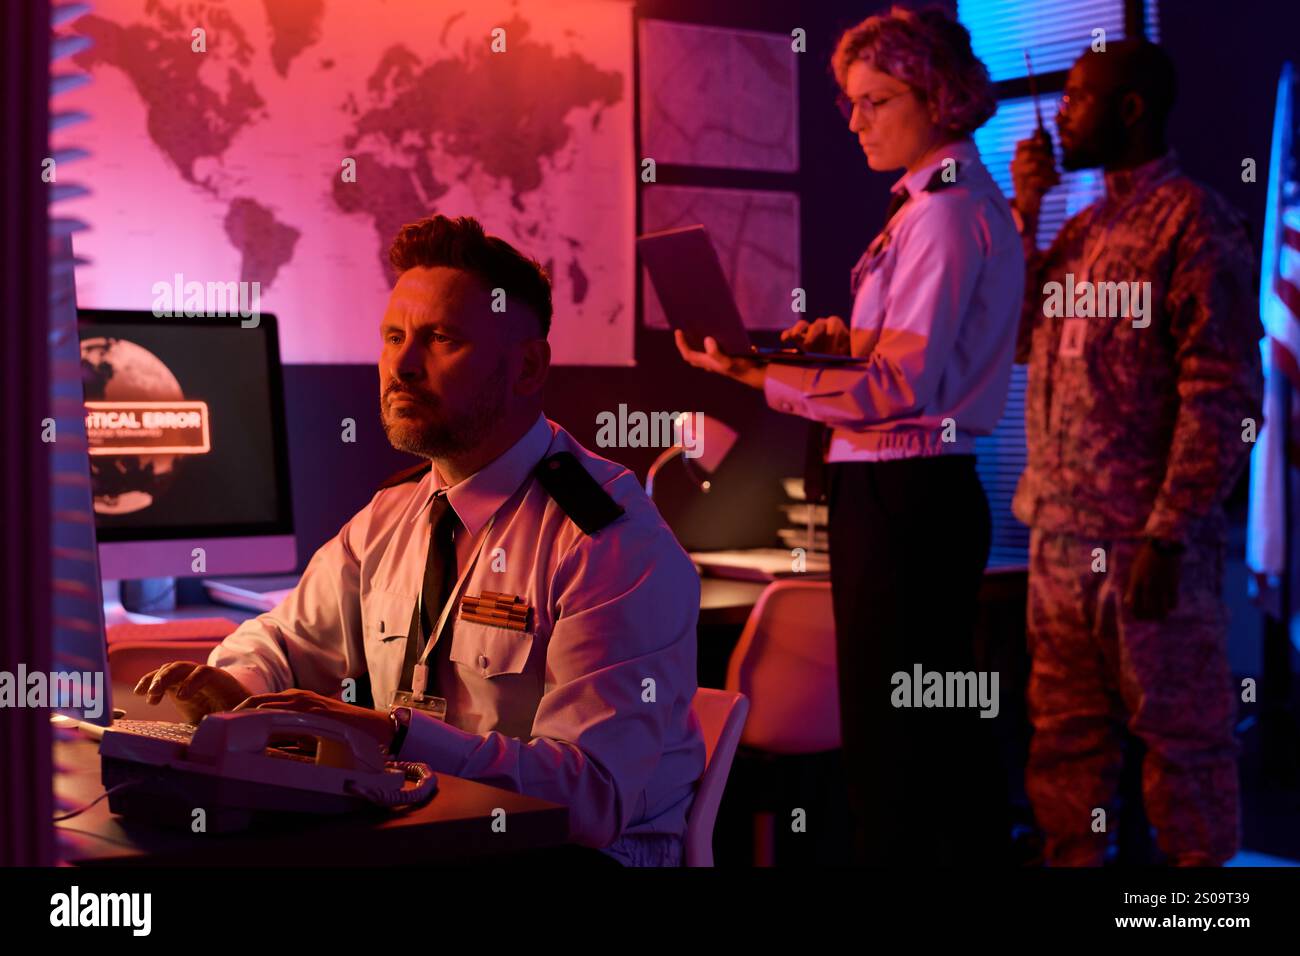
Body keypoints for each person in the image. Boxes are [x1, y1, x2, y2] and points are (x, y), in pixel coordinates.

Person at [135, 214, 706, 867]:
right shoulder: (391, 517)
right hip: (419, 831)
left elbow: (593, 799)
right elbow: (280, 639)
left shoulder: (606, 541)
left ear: (527, 366)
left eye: (440, 339)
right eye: (393, 336)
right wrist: (236, 683)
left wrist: (396, 736)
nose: (402, 365)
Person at [676, 6, 1023, 864]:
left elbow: (904, 385)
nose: (856, 120)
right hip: (903, 494)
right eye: (850, 102)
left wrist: (766, 379)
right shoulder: (931, 205)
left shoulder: (941, 215)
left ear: (938, 99)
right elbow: (909, 354)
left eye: (876, 101)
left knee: (897, 751)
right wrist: (847, 344)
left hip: (906, 492)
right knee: (907, 740)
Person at [1010, 39, 1262, 866]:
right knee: (1066, 748)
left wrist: (1168, 531)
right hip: (1058, 540)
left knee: (1183, 747)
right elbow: (1007, 336)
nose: (1062, 115)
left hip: (1144, 546)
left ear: (1131, 109)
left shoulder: (1195, 220)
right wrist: (1027, 206)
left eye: (1078, 99)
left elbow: (1220, 392)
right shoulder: (1081, 230)